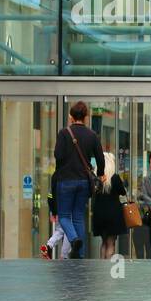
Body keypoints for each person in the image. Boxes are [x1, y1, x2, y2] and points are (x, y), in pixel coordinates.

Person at [53, 100, 104, 259]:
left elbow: (57, 155)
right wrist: (101, 173)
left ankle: (74, 240)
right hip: (83, 181)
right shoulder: (92, 135)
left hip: (65, 180)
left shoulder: (64, 133)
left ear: (71, 116)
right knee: (78, 216)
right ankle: (79, 254)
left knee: (63, 216)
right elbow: (100, 158)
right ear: (86, 117)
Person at [90, 151, 129, 259]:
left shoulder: (96, 179)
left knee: (103, 242)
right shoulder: (115, 178)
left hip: (99, 214)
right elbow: (122, 192)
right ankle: (108, 265)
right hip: (113, 214)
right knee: (111, 243)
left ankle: (102, 263)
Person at [40, 170, 71, 260]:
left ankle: (49, 245)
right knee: (68, 231)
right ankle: (64, 256)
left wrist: (53, 212)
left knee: (60, 230)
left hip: (57, 210)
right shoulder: (70, 175)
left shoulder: (55, 176)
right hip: (67, 209)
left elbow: (50, 197)